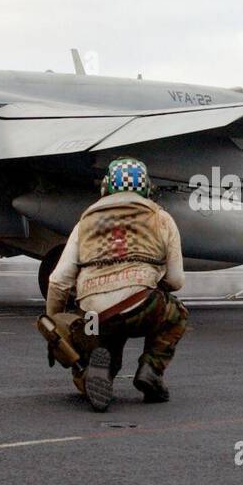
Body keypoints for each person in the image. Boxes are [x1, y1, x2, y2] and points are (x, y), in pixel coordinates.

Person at [45, 157, 188, 411]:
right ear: (146, 188)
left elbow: (58, 280)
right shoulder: (161, 218)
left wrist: (55, 325)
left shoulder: (84, 222)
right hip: (141, 303)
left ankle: (95, 373)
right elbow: (176, 281)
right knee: (176, 314)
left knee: (101, 344)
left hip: (93, 314)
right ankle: (150, 371)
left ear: (106, 187)